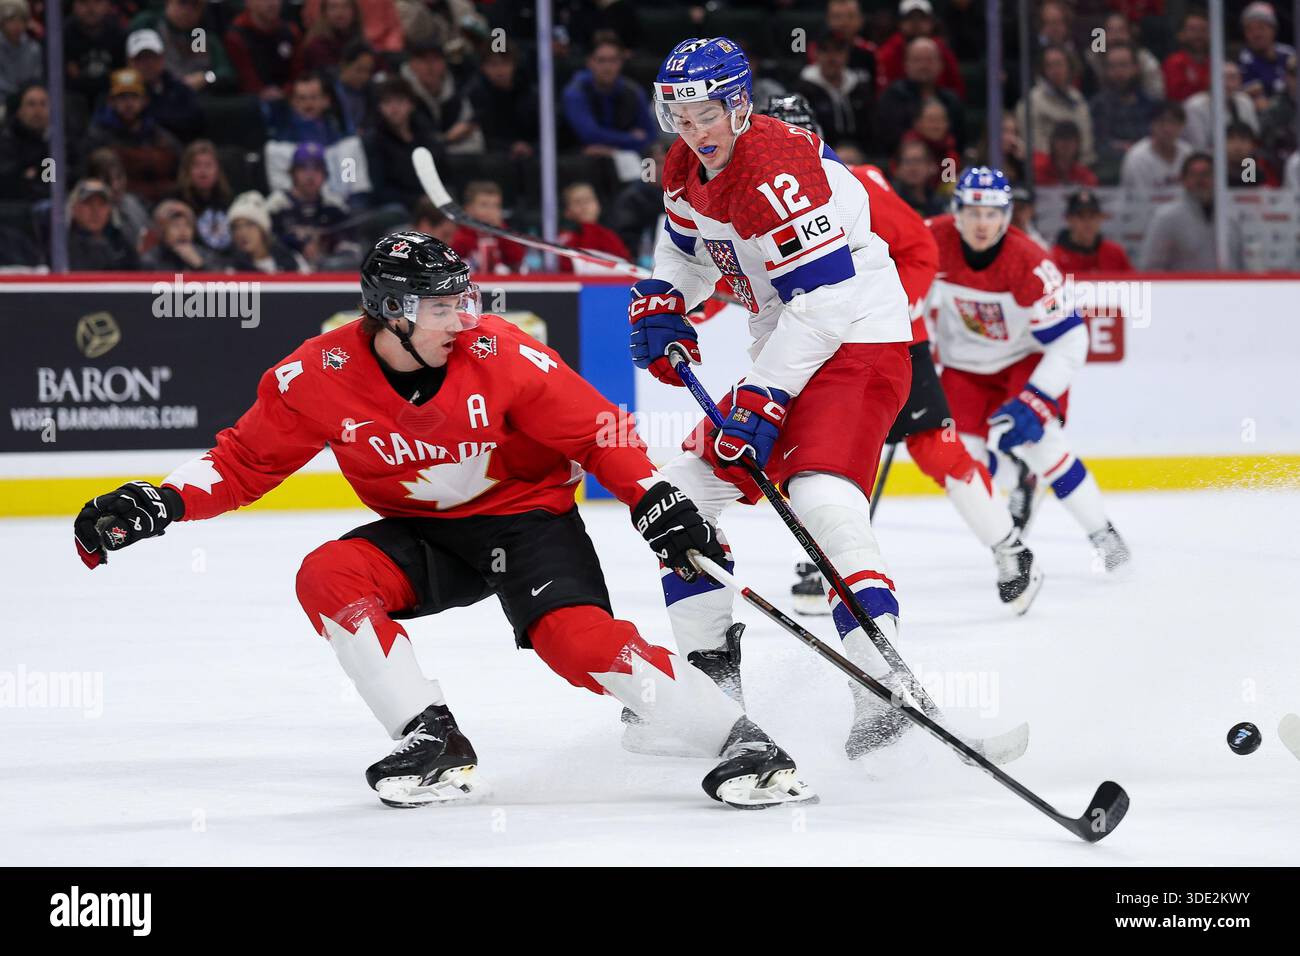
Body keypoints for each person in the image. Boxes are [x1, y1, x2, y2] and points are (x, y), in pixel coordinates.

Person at [73, 232, 815, 810]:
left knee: (574, 642)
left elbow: (600, 432)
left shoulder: (504, 353)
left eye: (465, 299)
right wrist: (159, 500)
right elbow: (242, 462)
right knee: (327, 574)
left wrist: (657, 499)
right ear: (391, 315)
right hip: (427, 537)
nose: (464, 317)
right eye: (440, 307)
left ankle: (742, 740)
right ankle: (430, 740)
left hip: (528, 523)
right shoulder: (317, 376)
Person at [632, 38, 916, 760]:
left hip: (857, 343)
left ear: (738, 104)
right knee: (676, 502)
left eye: (704, 114)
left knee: (822, 499)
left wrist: (762, 396)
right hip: (789, 346)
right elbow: (690, 253)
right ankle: (714, 695)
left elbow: (823, 305)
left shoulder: (779, 169)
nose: (692, 131)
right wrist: (670, 300)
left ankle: (884, 686)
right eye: (677, 114)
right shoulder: (684, 166)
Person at [766, 94, 1043, 616]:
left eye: (789, 136)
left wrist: (888, 309)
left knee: (936, 450)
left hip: (893, 340)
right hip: (816, 345)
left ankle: (1010, 547)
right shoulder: (749, 200)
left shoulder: (857, 182)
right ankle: (827, 559)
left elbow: (919, 248)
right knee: (816, 458)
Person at [926, 167, 1130, 569]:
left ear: (1007, 215)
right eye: (973, 213)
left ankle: (1103, 532)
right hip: (962, 366)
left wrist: (1037, 397)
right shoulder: (931, 238)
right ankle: (1016, 486)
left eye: (992, 214)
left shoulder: (1031, 262)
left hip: (1025, 359)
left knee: (1042, 442)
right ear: (957, 211)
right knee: (962, 460)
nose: (983, 224)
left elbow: (1073, 337)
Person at [86, 68, 183, 203]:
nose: (129, 103)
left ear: (145, 100)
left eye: (134, 96)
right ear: (111, 101)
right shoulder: (98, 136)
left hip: (160, 204)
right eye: (122, 97)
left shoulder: (159, 136)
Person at [1138, 152, 1241, 270]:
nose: (1200, 180)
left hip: (1226, 287)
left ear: (1217, 178)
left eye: (1206, 174)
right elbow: (1150, 268)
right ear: (1184, 180)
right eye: (1194, 174)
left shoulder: (1230, 217)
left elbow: (1239, 265)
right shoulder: (1167, 218)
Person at [266, 142, 360, 270]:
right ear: (293, 173)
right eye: (303, 168)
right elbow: (267, 243)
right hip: (286, 274)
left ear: (324, 174)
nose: (310, 176)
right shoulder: (276, 205)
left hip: (328, 275)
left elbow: (351, 246)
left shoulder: (335, 207)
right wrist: (298, 245)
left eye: (316, 169)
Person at [560, 31, 656, 155]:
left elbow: (650, 135)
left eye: (613, 60)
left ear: (621, 62)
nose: (607, 67)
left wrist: (614, 149)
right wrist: (631, 138)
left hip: (627, 157)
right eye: (601, 60)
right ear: (590, 62)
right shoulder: (575, 92)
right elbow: (590, 135)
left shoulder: (633, 91)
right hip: (580, 158)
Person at [875, 35, 965, 155]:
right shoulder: (892, 98)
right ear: (906, 65)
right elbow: (888, 142)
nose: (924, 66)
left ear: (940, 64)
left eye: (929, 60)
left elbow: (960, 141)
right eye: (917, 60)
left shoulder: (951, 100)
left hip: (946, 164)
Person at [128, 0, 237, 93]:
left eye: (194, 6)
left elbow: (226, 73)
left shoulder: (203, 36)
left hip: (199, 98)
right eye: (182, 3)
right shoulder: (150, 24)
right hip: (156, 94)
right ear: (168, 2)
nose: (187, 11)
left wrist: (206, 77)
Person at [1015, 45, 1095, 166]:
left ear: (1069, 67)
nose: (1055, 70)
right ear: (1043, 70)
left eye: (1059, 64)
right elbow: (1034, 145)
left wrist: (1079, 165)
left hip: (1080, 167)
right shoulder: (1030, 102)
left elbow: (1086, 139)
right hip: (1045, 169)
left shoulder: (1078, 99)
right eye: (1049, 66)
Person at [400, 38, 482, 155]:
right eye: (423, 60)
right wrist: (447, 139)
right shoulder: (402, 94)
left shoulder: (457, 91)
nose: (430, 66)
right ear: (412, 64)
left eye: (435, 60)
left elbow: (473, 135)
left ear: (444, 63)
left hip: (456, 160)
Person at [794, 32, 873, 152]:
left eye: (838, 51)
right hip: (819, 155)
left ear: (847, 55)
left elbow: (871, 130)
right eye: (825, 51)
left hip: (860, 154)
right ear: (816, 54)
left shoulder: (860, 89)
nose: (832, 57)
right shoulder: (803, 91)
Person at [126, 27, 204, 142]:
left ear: (162, 59)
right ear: (129, 62)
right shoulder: (120, 93)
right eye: (140, 59)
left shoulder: (179, 90)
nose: (148, 64)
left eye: (152, 57)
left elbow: (197, 121)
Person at [1089, 43, 1157, 173]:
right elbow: (1101, 145)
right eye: (1112, 66)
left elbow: (1155, 142)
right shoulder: (1098, 106)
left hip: (1148, 171)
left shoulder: (1149, 105)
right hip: (1112, 174)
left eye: (1124, 65)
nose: (1118, 72)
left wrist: (1126, 146)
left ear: (1136, 68)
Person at [873, 0, 964, 97]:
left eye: (922, 18)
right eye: (909, 18)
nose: (916, 23)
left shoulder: (942, 50)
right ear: (900, 23)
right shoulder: (887, 53)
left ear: (931, 22)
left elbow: (957, 90)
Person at [464, 45, 538, 160]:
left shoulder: (529, 94)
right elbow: (478, 135)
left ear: (514, 65)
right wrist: (509, 147)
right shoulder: (474, 95)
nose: (500, 70)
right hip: (490, 160)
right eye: (493, 65)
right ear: (483, 67)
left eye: (505, 63)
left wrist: (531, 147)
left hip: (530, 159)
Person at [224, 0, 301, 101]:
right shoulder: (236, 36)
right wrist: (261, 92)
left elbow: (299, 73)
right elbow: (246, 80)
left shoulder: (291, 32)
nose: (272, 3)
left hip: (290, 98)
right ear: (249, 3)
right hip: (252, 102)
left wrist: (286, 91)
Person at [449, 181, 526, 273]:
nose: (491, 211)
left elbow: (517, 259)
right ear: (468, 209)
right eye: (484, 205)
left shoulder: (503, 235)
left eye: (496, 206)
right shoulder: (462, 235)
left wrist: (501, 232)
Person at [1050, 189, 1133, 274]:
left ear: (1100, 218)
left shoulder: (1115, 253)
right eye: (1081, 216)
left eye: (1092, 216)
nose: (1088, 222)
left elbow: (1134, 284)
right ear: (1069, 219)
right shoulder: (1055, 257)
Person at [555, 182, 631, 273]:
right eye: (577, 202)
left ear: (598, 206)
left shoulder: (609, 236)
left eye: (588, 200)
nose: (584, 206)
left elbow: (627, 267)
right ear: (567, 211)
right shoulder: (564, 239)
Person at [174, 139, 234, 254]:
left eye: (208, 165)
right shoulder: (176, 201)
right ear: (187, 170)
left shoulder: (227, 200)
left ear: (218, 170)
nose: (203, 172)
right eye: (196, 165)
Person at [67, 178, 140, 271]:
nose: (95, 211)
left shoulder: (122, 244)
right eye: (88, 203)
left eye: (101, 204)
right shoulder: (61, 247)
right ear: (75, 208)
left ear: (109, 209)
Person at [1119, 100, 1193, 193]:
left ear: (1182, 126)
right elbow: (1141, 199)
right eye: (1161, 122)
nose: (1167, 129)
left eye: (1173, 122)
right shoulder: (1137, 157)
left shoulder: (1188, 153)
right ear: (1151, 124)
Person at [226, 190, 308, 273]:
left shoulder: (292, 260)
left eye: (249, 224)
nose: (242, 233)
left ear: (262, 229)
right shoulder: (233, 270)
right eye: (236, 227)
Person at [0, 82, 54, 203]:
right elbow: (8, 178)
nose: (38, 110)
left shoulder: (61, 140)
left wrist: (34, 171)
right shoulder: (6, 140)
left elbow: (66, 175)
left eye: (43, 104)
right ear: (20, 111)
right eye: (31, 104)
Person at [140, 198, 225, 271]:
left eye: (187, 225)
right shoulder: (150, 260)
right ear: (162, 231)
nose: (183, 231)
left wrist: (199, 265)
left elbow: (220, 283)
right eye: (175, 226)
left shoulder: (206, 256)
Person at [1238, 1, 1295, 98]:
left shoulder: (1289, 54)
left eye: (1261, 28)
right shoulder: (1243, 61)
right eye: (1250, 30)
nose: (1256, 34)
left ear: (1273, 30)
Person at [1162, 9, 1210, 102]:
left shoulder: (1217, 62)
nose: (1198, 34)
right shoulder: (1174, 62)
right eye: (1193, 29)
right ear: (1181, 35)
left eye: (1203, 30)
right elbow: (1175, 96)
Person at [889, 137, 946, 216]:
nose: (913, 167)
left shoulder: (939, 202)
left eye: (919, 161)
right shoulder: (891, 201)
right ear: (898, 169)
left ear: (931, 166)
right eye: (907, 162)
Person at [1032, 120, 1099, 186]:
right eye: (1061, 138)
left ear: (1078, 144)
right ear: (1052, 142)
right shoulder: (1037, 170)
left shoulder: (1086, 177)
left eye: (1070, 139)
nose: (1066, 144)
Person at [0, 0, 42, 103]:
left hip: (26, 102)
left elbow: (36, 79)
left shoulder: (34, 49)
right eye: (11, 20)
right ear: (2, 22)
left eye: (21, 20)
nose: (17, 25)